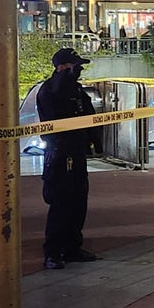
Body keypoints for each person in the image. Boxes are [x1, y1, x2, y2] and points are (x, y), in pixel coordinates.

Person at [36, 47, 103, 270]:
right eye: (75, 66)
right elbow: (56, 103)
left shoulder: (76, 90)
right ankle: (52, 253)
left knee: (78, 203)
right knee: (60, 205)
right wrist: (64, 78)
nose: (79, 70)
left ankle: (73, 247)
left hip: (77, 153)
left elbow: (89, 115)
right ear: (61, 67)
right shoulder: (50, 89)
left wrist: (96, 141)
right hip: (59, 154)